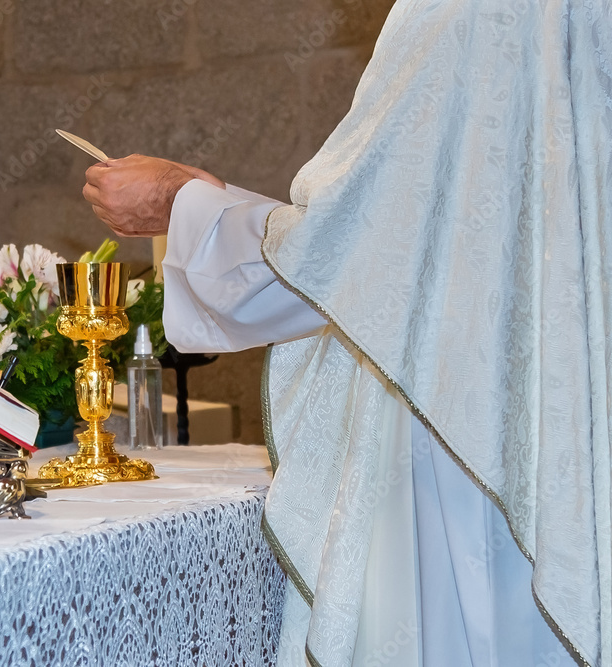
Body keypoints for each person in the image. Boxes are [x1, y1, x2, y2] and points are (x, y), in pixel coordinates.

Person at [83, 0, 611, 665]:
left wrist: (181, 205)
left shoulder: (451, 13)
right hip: (563, 428)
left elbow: (352, 260)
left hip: (453, 440)